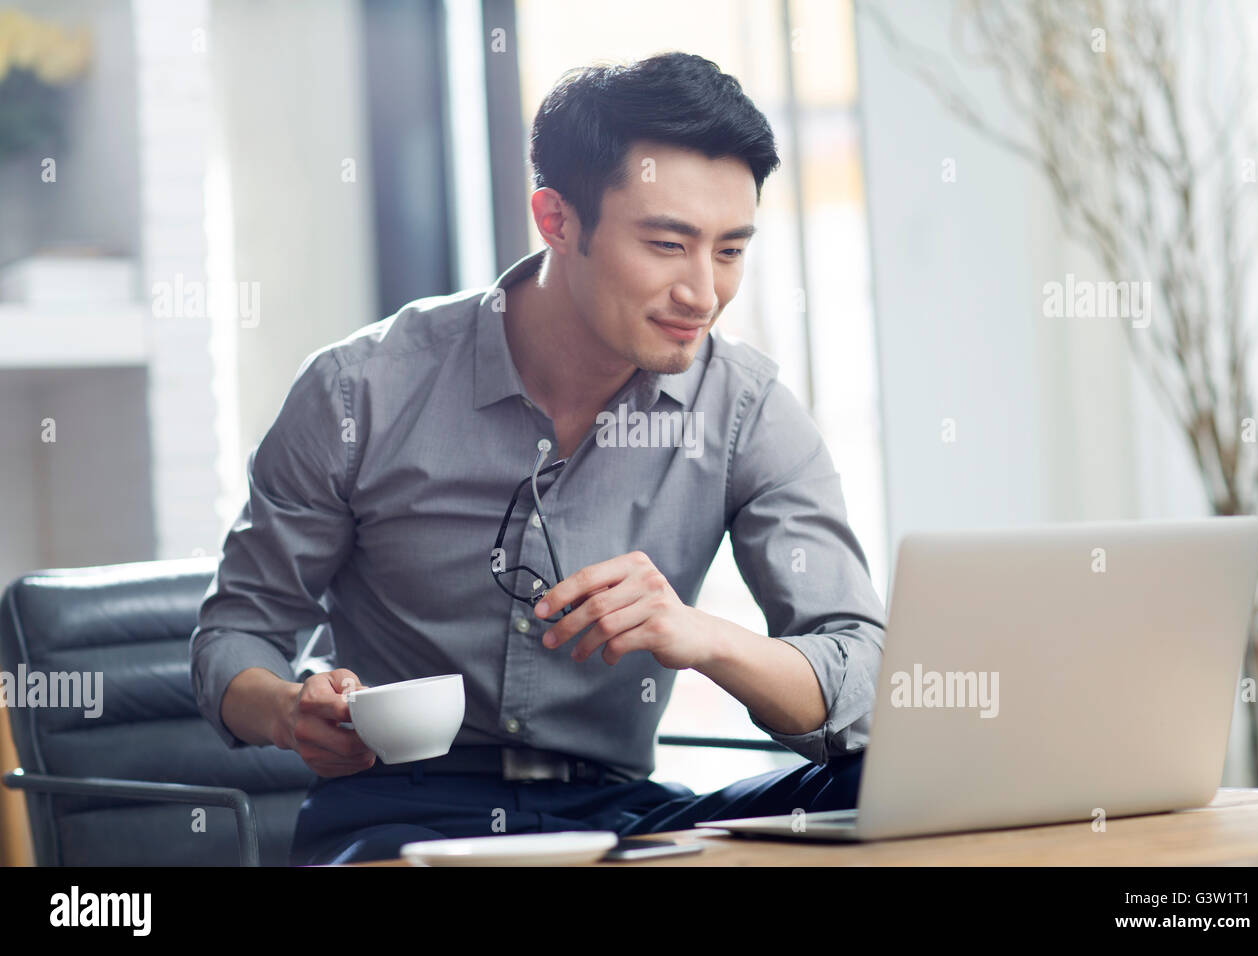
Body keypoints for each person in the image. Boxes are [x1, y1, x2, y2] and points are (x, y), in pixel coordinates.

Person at [189, 50, 886, 866]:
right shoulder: (360, 392)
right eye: (668, 244)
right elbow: (235, 633)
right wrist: (286, 710)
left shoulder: (743, 409)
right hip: (399, 811)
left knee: (880, 789)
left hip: (620, 815)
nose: (703, 292)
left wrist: (703, 636)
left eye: (729, 251)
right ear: (557, 220)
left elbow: (859, 677)